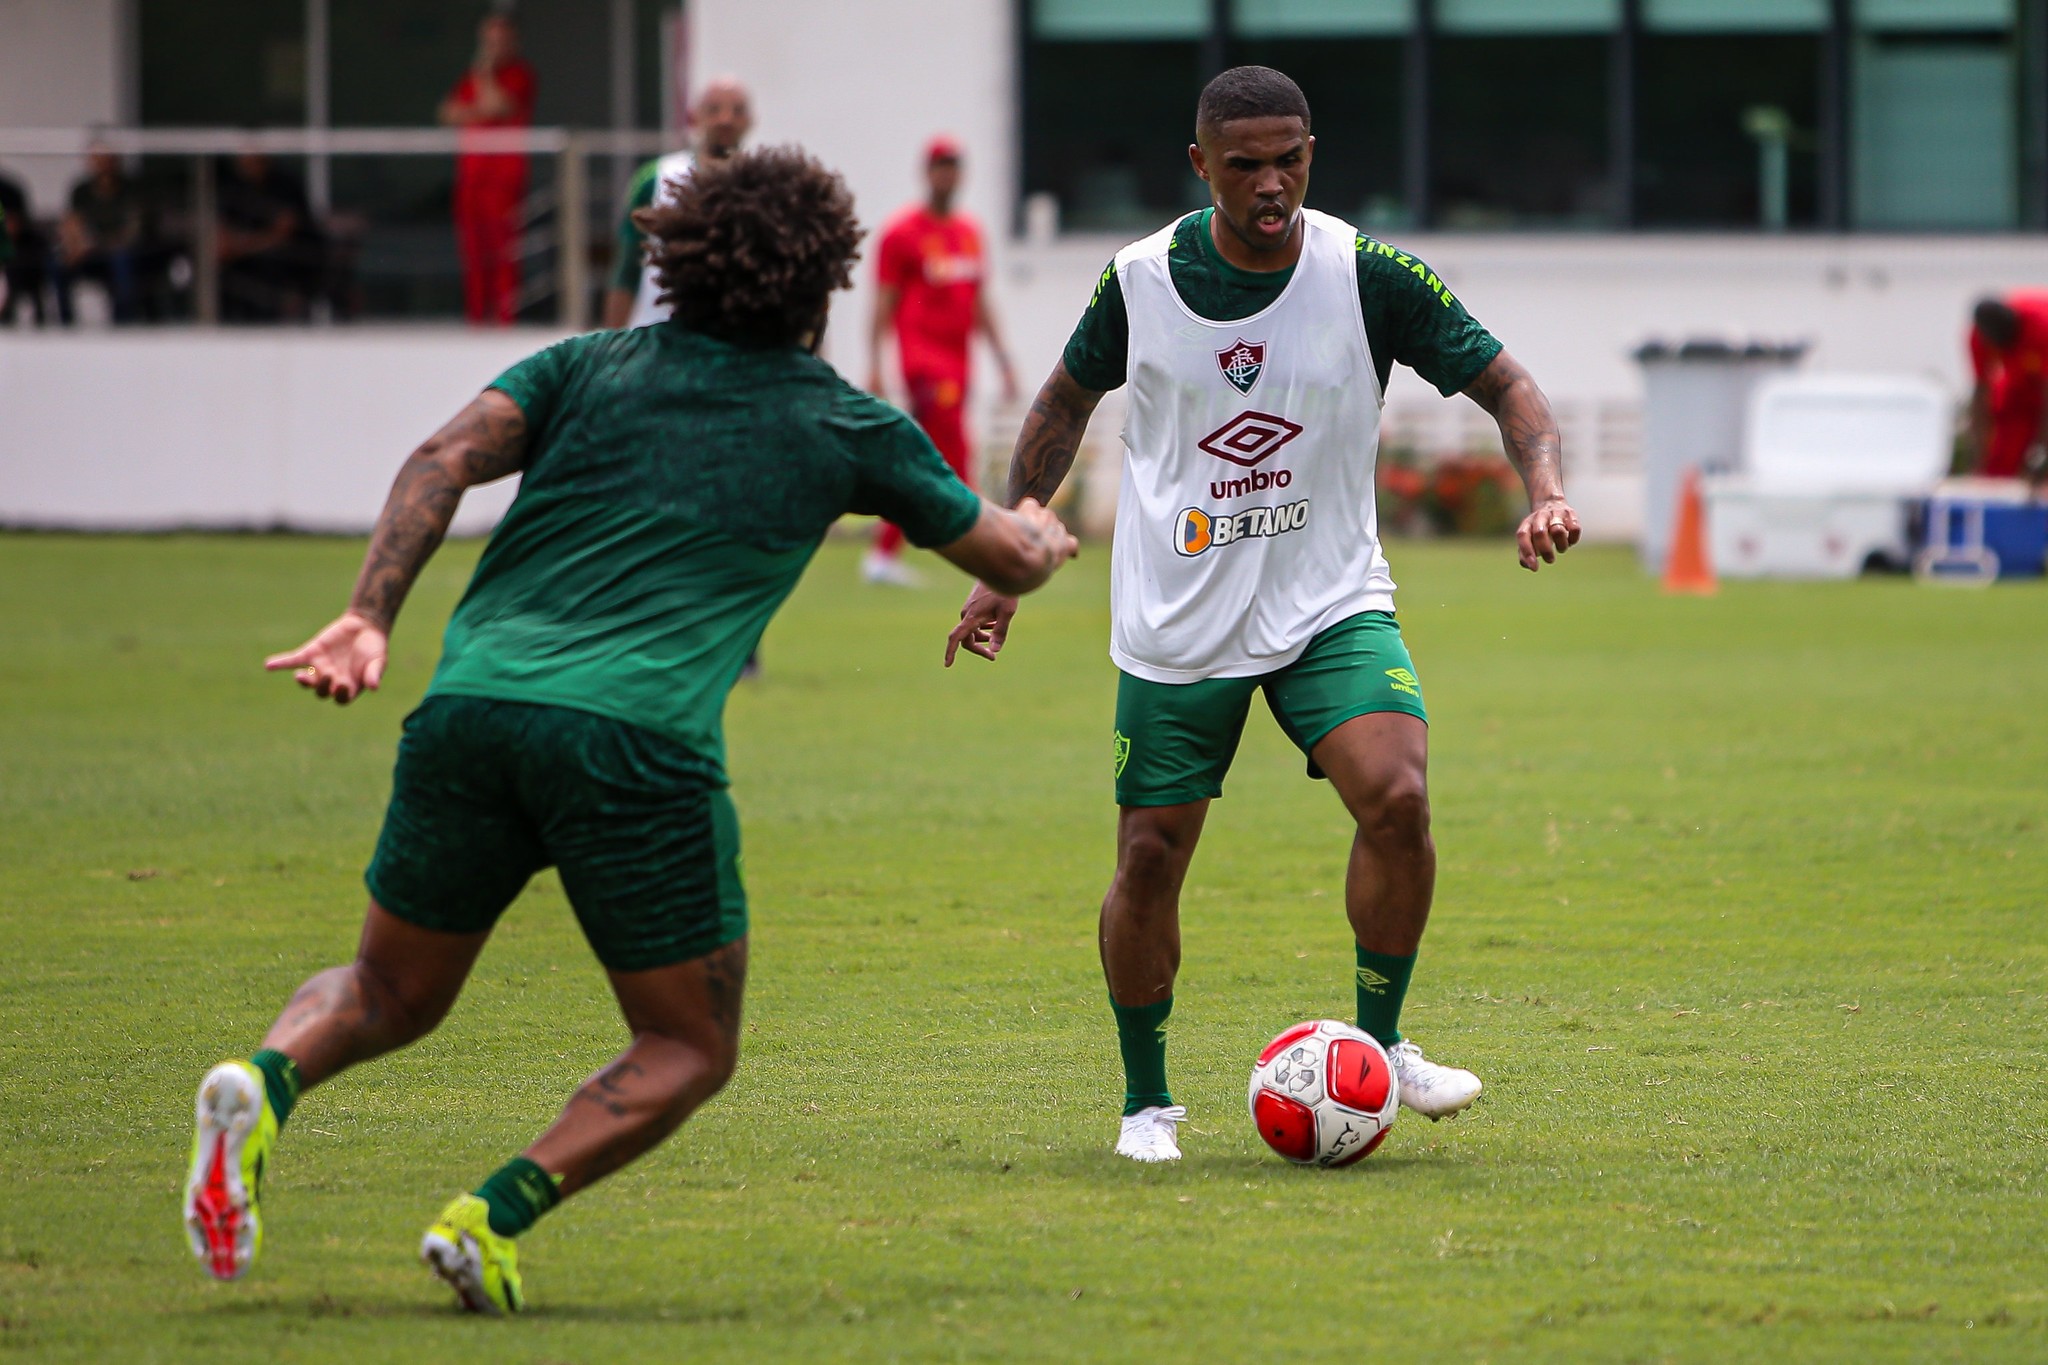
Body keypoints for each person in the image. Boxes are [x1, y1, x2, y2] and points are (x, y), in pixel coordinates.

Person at [180, 145, 1078, 1312]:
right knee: (687, 1047)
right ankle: (486, 1217)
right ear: (821, 287)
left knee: (385, 990)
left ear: (679, 265)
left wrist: (366, 614)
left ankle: (262, 1080)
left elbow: (441, 457)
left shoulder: (583, 366)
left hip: (470, 710)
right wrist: (1042, 533)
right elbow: (1006, 552)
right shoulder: (844, 424)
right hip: (634, 745)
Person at [945, 66, 1580, 1163]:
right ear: (1200, 166)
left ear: (1310, 155)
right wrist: (1006, 548)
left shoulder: (1366, 274)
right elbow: (1058, 404)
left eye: (1289, 159)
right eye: (1244, 165)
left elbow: (1510, 390)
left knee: (1399, 798)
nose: (1271, 183)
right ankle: (1146, 1105)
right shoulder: (1138, 281)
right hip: (1178, 618)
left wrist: (1548, 492)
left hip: (1326, 598)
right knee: (1149, 856)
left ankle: (1375, 1053)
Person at [862, 136, 1019, 587]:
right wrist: (875, 364)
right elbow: (883, 302)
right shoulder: (902, 234)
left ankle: (883, 551)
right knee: (955, 453)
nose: (947, 175)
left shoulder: (969, 233)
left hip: (960, 362)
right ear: (926, 172)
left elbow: (979, 301)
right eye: (940, 166)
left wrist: (1003, 358)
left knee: (925, 456)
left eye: (954, 166)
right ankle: (983, 550)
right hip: (924, 364)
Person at [601, 76, 753, 331]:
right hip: (661, 335)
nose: (725, 120)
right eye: (714, 109)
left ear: (750, 120)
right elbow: (627, 269)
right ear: (694, 117)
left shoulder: (767, 184)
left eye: (737, 111)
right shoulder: (658, 179)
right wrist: (610, 350)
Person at [439, 11, 538, 326]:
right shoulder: (472, 79)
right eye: (489, 41)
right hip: (472, 180)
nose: (493, 47)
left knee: (504, 253)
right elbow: (447, 113)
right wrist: (479, 106)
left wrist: (483, 79)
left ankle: (505, 319)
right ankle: (477, 318)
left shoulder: (519, 75)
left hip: (504, 181)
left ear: (512, 41)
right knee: (473, 253)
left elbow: (500, 105)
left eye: (499, 40)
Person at [216, 150, 324, 322]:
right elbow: (221, 239)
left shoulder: (284, 185)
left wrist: (245, 246)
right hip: (244, 261)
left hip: (287, 259)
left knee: (272, 264)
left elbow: (284, 232)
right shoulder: (234, 188)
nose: (245, 163)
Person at [56, 144, 146, 322]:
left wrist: (102, 244)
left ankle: (123, 323)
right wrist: (76, 245)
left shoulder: (131, 189)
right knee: (56, 263)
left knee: (121, 259)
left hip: (121, 252)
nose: (102, 163)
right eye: (97, 158)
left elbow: (134, 230)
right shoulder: (81, 191)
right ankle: (65, 323)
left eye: (107, 157)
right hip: (90, 253)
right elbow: (73, 223)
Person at [1967, 294, 2048, 480]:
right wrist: (1979, 453)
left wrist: (2040, 451)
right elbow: (1981, 392)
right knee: (1999, 464)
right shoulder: (1980, 336)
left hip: (2042, 384)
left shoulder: (2042, 327)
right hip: (2021, 385)